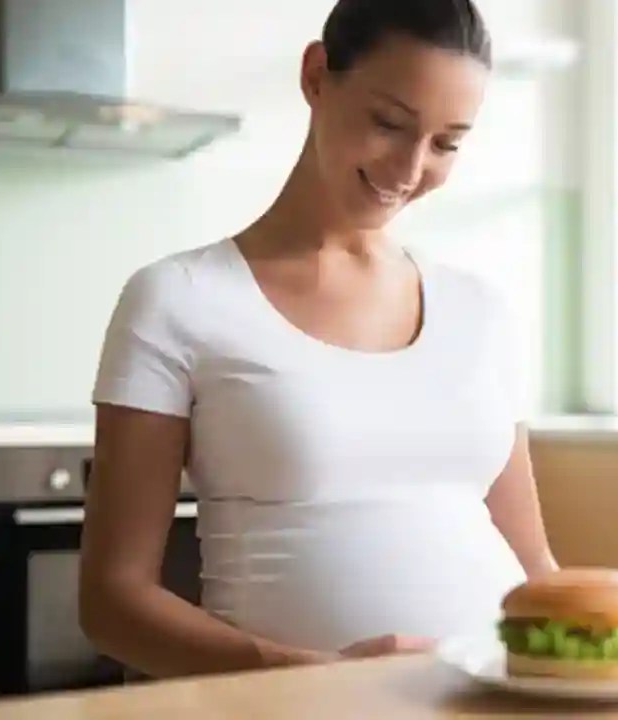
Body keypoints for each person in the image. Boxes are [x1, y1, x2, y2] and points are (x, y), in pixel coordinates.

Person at [79, 0, 559, 678]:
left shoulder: (480, 310)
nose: (410, 167)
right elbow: (111, 604)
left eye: (447, 142)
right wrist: (315, 675)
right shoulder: (180, 298)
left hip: (493, 701)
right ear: (315, 76)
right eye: (389, 123)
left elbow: (536, 569)